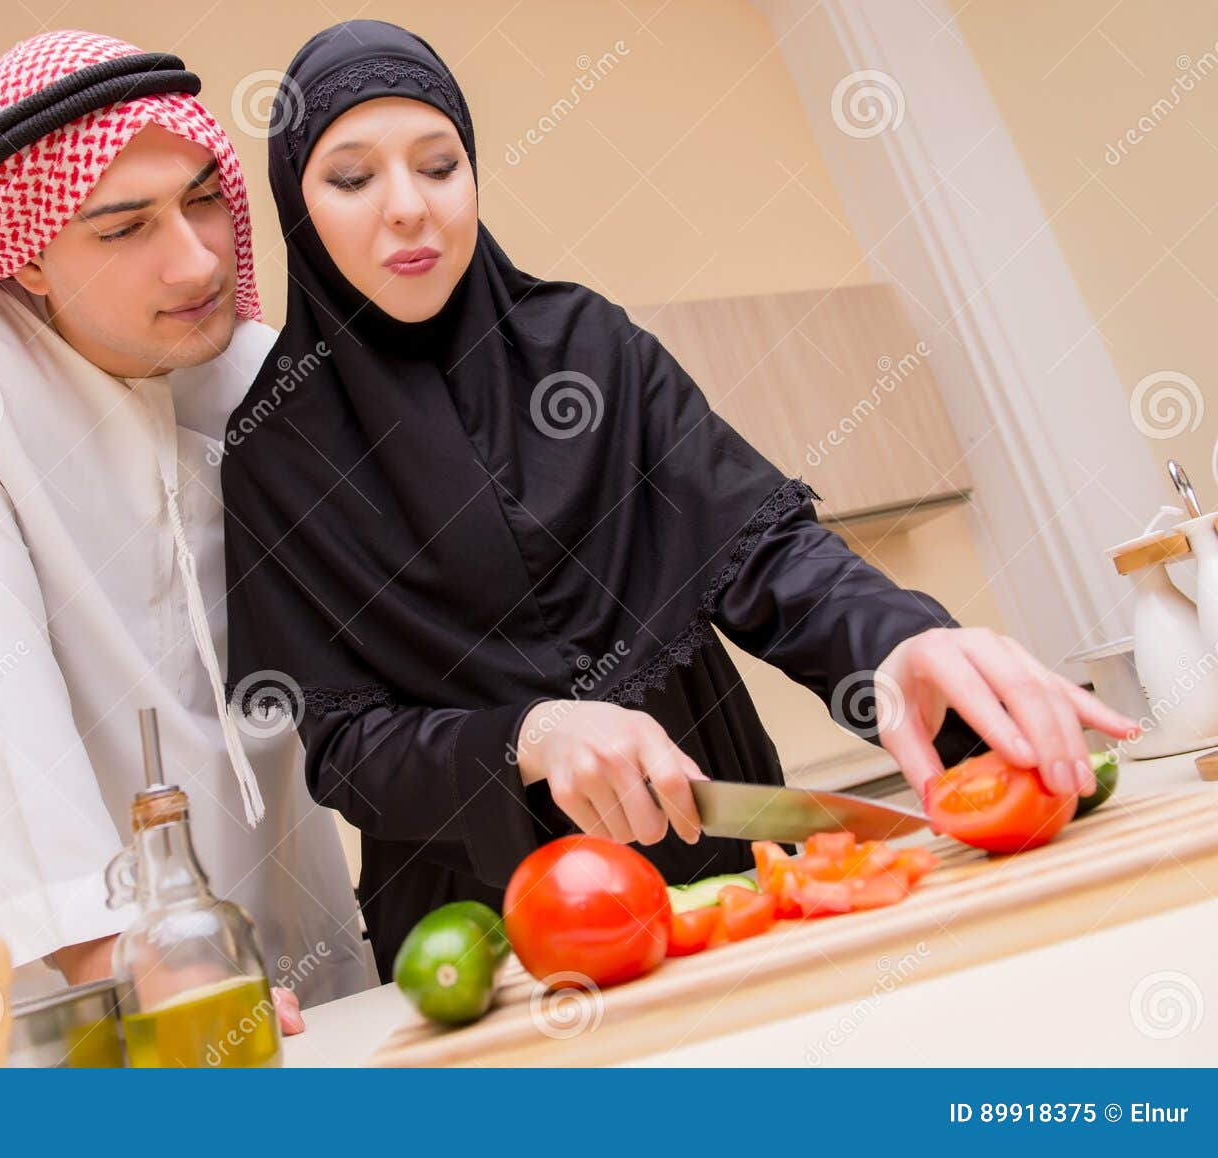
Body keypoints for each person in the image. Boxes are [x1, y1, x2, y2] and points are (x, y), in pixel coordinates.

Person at [219, 20, 1141, 980]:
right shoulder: (272, 452)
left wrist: (902, 641)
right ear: (298, 206)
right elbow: (344, 744)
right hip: (490, 928)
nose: (408, 209)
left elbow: (765, 553)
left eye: (440, 165)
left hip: (719, 852)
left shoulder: (587, 344)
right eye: (353, 178)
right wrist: (528, 737)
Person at [0, 30, 377, 1022]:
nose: (196, 257)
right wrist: (128, 960)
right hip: (73, 982)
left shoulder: (260, 371)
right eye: (123, 229)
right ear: (26, 259)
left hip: (308, 964)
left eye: (205, 199)